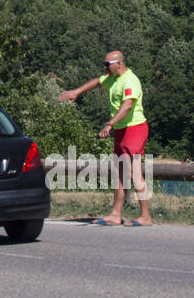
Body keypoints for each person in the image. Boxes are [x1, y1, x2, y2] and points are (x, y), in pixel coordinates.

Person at [60, 50, 152, 226]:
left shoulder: (129, 80)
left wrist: (109, 124)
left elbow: (127, 105)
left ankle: (145, 216)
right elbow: (98, 81)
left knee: (133, 173)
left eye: (107, 64)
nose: (104, 67)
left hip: (134, 129)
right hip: (121, 129)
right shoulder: (113, 78)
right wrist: (77, 92)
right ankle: (115, 215)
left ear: (119, 63)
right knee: (119, 173)